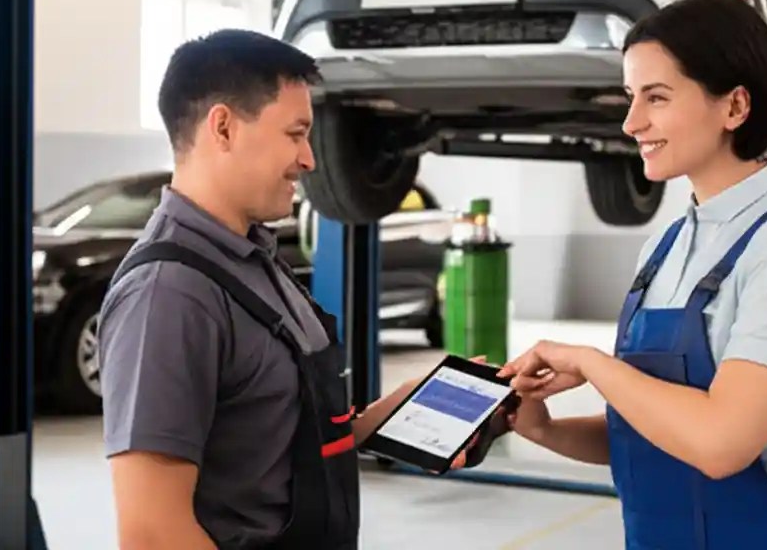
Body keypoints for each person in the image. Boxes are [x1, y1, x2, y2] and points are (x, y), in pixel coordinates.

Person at [97, 29, 487, 550]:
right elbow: (152, 533)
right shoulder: (169, 294)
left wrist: (420, 407)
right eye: (295, 133)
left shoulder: (254, 261)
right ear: (224, 127)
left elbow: (293, 434)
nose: (309, 159)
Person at [499, 0, 767, 550]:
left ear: (735, 107)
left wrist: (591, 363)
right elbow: (651, 431)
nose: (631, 122)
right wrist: (544, 429)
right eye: (630, 97)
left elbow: (721, 442)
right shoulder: (663, 250)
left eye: (656, 98)